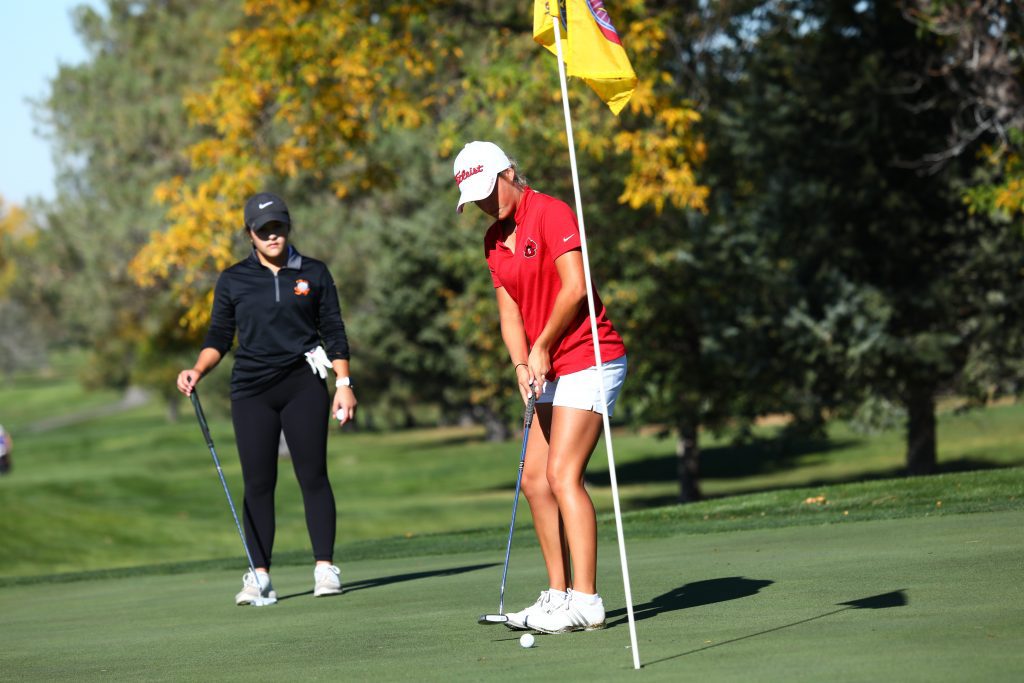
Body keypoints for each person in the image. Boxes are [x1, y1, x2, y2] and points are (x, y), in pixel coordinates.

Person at [453, 141, 628, 634]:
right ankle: (558, 594)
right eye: (476, 197)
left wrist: (543, 344)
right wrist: (520, 363)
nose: (486, 202)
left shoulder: (550, 212)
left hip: (590, 356)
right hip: (544, 366)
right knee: (534, 479)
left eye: (490, 190)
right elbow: (509, 313)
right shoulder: (493, 240)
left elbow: (575, 287)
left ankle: (587, 600)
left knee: (562, 474)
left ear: (510, 172)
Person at [176, 192, 357, 605]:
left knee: (313, 475)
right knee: (258, 482)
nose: (272, 236)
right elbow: (219, 336)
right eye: (263, 230)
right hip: (251, 391)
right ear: (250, 234)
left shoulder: (314, 272)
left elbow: (334, 331)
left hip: (303, 385)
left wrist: (344, 383)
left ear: (288, 227)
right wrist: (197, 370)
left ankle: (325, 568)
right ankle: (260, 577)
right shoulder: (233, 279)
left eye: (278, 227)